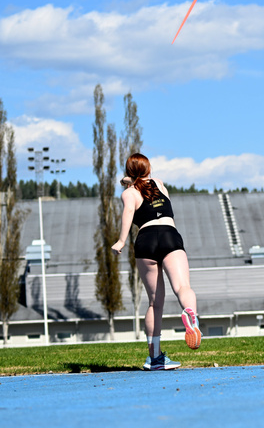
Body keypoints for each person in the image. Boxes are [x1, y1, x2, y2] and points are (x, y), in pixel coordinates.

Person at [111, 153, 202, 371]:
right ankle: (191, 314)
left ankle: (155, 358)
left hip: (146, 240)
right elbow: (144, 181)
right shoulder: (159, 184)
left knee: (155, 302)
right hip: (170, 234)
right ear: (148, 170)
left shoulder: (129, 193)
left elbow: (128, 213)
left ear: (129, 173)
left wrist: (121, 240)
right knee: (183, 287)